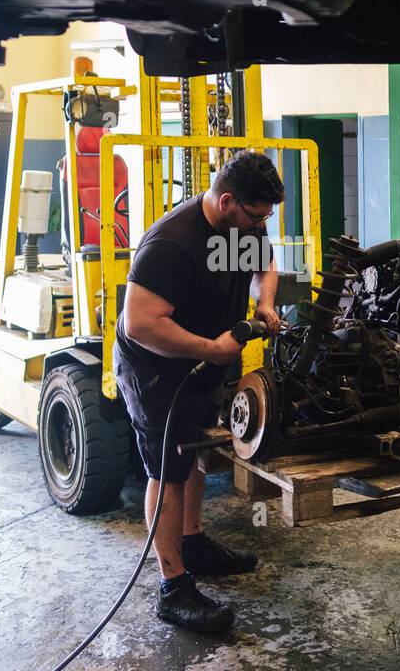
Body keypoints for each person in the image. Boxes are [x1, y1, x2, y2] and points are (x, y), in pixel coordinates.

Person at [116, 149, 285, 633]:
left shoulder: (240, 228)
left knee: (191, 453)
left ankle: (193, 543)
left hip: (203, 360)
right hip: (156, 370)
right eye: (255, 216)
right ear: (226, 200)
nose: (260, 226)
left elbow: (265, 266)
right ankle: (173, 586)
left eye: (266, 218)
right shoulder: (173, 243)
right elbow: (142, 324)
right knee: (168, 469)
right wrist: (211, 349)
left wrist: (266, 303)